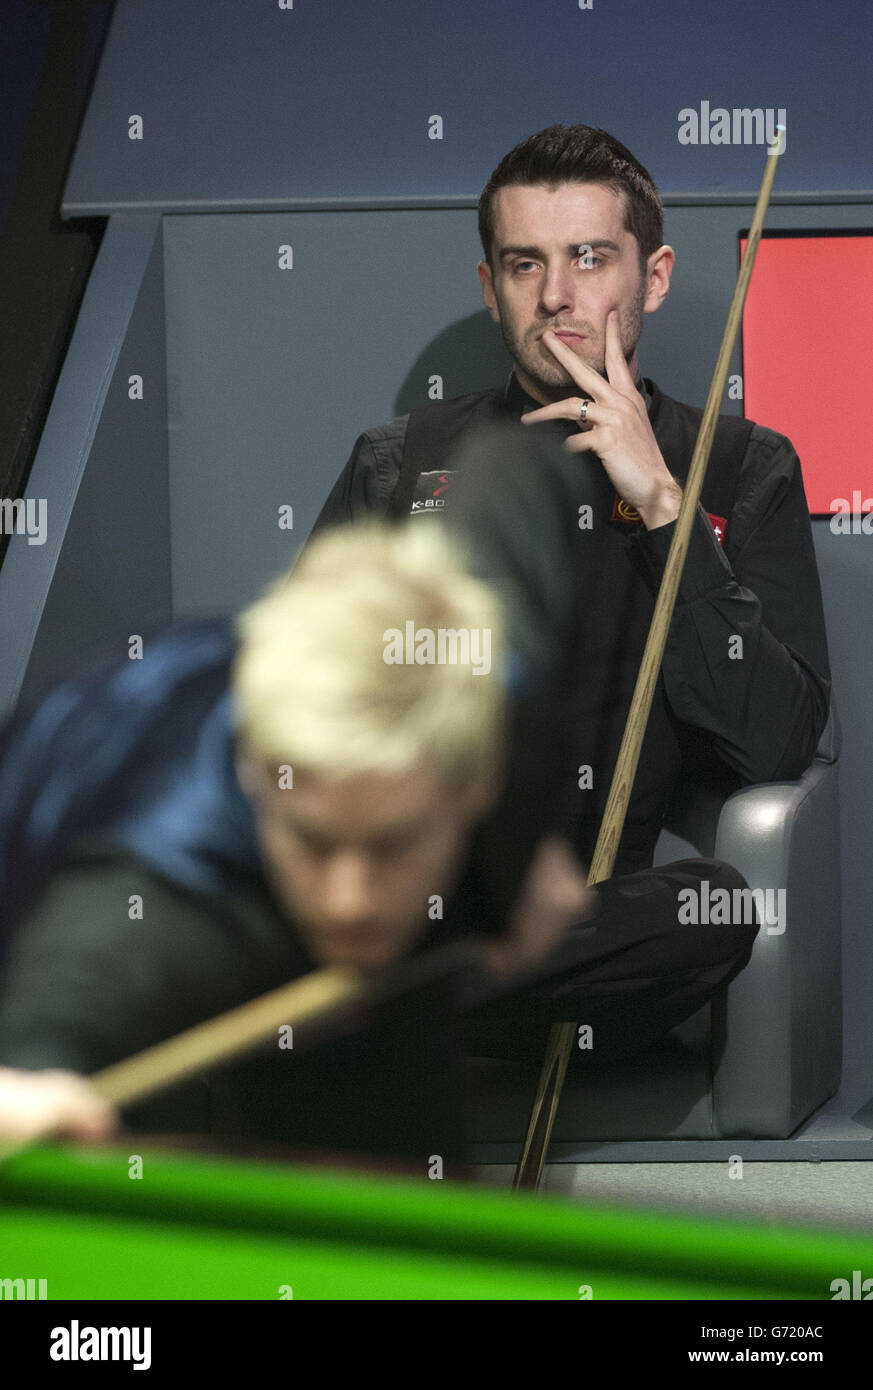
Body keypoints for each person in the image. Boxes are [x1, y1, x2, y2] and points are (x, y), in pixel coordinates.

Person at [0, 432, 761, 1165]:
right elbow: (81, 980)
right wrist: (32, 1074)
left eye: (391, 842)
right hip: (66, 892)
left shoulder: (499, 695)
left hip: (376, 965)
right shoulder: (168, 877)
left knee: (399, 1218)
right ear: (265, 784)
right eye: (316, 842)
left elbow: (517, 470)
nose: (349, 900)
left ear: (476, 784)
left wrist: (518, 860)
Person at [312, 123, 832, 877]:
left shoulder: (740, 466)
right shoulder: (399, 462)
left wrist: (660, 504)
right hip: (426, 901)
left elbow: (775, 748)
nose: (555, 296)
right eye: (525, 264)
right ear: (493, 289)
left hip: (618, 918)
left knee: (703, 913)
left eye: (589, 258)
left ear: (653, 277)